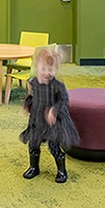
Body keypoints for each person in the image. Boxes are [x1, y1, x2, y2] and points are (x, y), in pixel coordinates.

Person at [19, 47, 81, 184]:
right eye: (43, 69)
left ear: (56, 70)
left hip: (53, 123)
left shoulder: (58, 86)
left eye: (50, 70)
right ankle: (34, 167)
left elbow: (64, 100)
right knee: (33, 144)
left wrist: (54, 110)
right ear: (37, 67)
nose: (47, 73)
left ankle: (61, 171)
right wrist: (27, 105)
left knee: (54, 147)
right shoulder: (33, 82)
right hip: (36, 120)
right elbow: (32, 96)